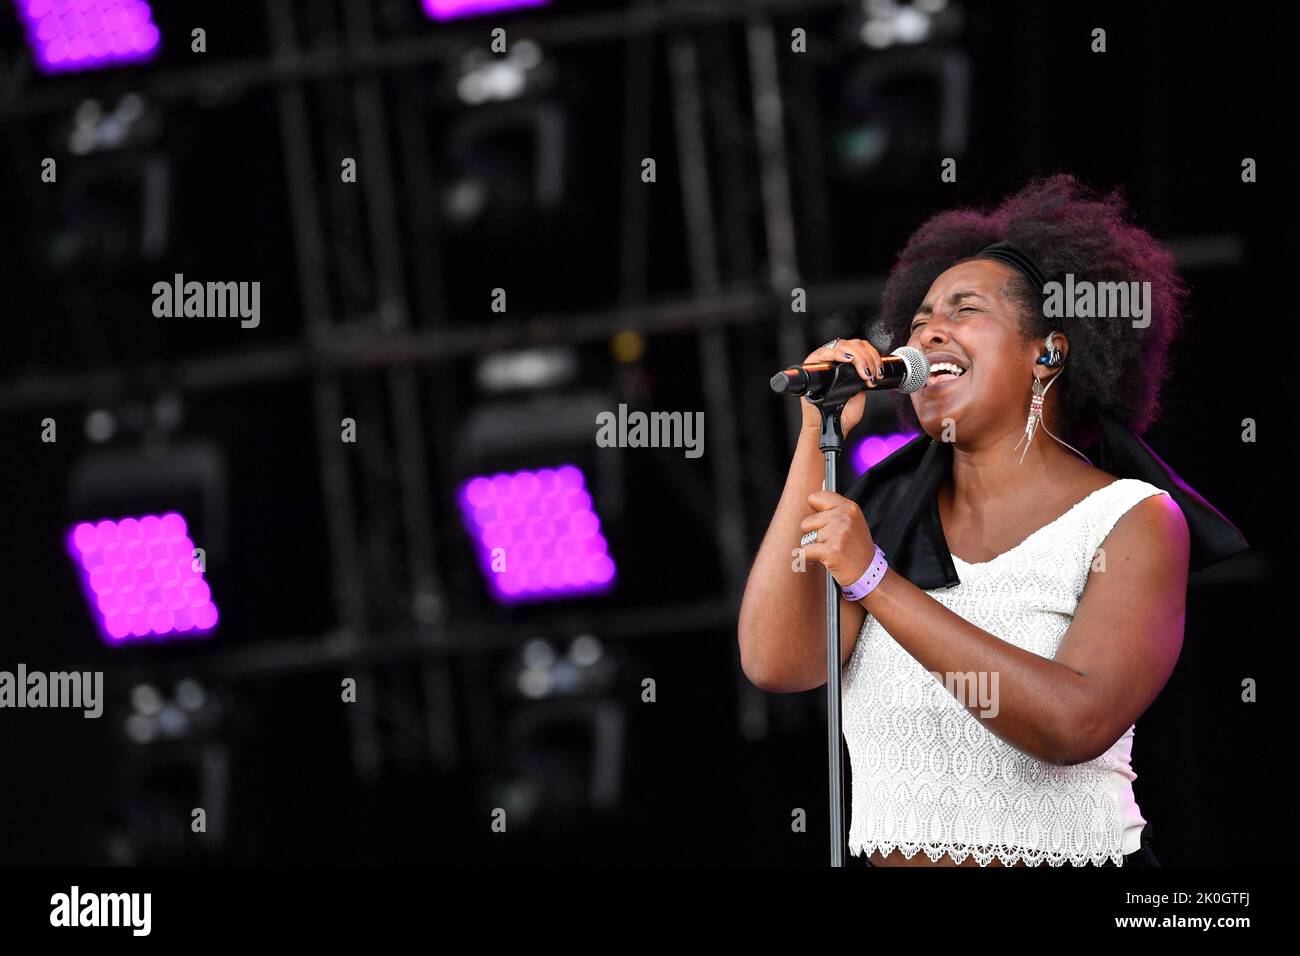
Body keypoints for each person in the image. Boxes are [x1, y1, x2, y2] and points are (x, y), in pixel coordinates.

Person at [737, 174, 1247, 867]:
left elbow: (1073, 723)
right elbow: (779, 662)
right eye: (916, 321)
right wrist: (814, 433)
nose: (926, 332)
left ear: (1048, 353)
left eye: (963, 309)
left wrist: (876, 581)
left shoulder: (1132, 519)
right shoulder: (887, 512)